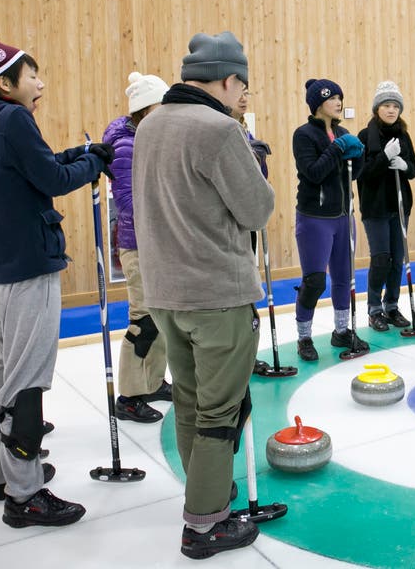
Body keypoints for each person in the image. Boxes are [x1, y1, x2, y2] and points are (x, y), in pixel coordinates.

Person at [0, 33, 111, 527]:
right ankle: (26, 497)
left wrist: (79, 153)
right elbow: (53, 181)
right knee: (26, 383)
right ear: (5, 83)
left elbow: (36, 167)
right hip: (30, 268)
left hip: (1, 269)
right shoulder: (15, 119)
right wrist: (94, 163)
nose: (40, 83)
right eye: (32, 75)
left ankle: (4, 476)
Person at [133, 32, 275, 559]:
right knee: (221, 412)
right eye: (244, 85)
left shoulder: (150, 126)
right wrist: (256, 167)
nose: (244, 97)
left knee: (191, 403)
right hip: (216, 292)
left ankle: (206, 491)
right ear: (226, 78)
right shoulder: (218, 130)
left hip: (165, 292)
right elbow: (257, 210)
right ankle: (206, 524)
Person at [102, 71, 171, 424]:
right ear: (146, 108)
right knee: (143, 320)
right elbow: (126, 201)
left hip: (156, 241)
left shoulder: (148, 136)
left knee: (159, 317)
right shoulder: (125, 144)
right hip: (137, 244)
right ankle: (128, 396)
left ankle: (153, 381)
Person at [291, 78, 367, 361]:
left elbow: (352, 174)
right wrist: (337, 149)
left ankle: (342, 331)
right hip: (315, 218)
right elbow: (312, 172)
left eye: (340, 97)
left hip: (343, 216)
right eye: (332, 98)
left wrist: (358, 155)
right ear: (317, 104)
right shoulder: (304, 135)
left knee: (344, 278)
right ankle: (304, 337)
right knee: (314, 281)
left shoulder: (343, 131)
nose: (338, 102)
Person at [356, 81, 415, 331]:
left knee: (397, 259)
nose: (391, 110)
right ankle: (374, 309)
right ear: (377, 108)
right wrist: (384, 157)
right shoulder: (365, 136)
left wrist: (404, 166)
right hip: (375, 208)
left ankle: (391, 305)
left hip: (400, 206)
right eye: (386, 105)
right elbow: (363, 174)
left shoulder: (403, 136)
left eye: (395, 105)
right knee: (381, 258)